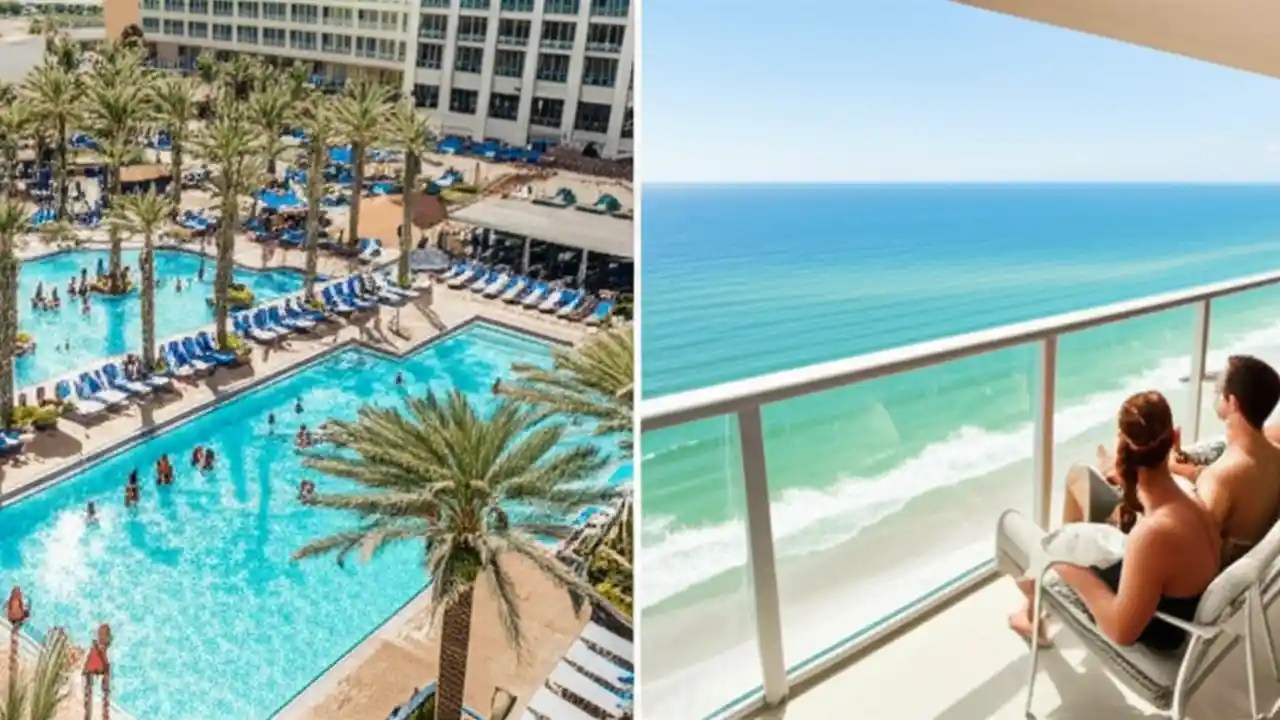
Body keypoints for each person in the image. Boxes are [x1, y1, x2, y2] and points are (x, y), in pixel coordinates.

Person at [1006, 391, 1220, 650]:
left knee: (1011, 530)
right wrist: (1121, 476)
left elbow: (1121, 632)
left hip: (1155, 626)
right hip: (1170, 597)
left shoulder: (1152, 535)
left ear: (1122, 453)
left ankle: (1031, 607)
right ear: (1174, 438)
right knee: (1079, 476)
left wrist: (1065, 567)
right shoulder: (1192, 497)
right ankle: (1032, 602)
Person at [1071, 355, 1280, 566]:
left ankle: (1065, 568)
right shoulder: (1272, 455)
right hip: (1239, 556)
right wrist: (1176, 464)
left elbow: (1186, 544)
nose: (1214, 391)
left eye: (1218, 388)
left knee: (1079, 476)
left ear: (1232, 403)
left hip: (1156, 561)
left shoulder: (1222, 479)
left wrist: (1130, 496)